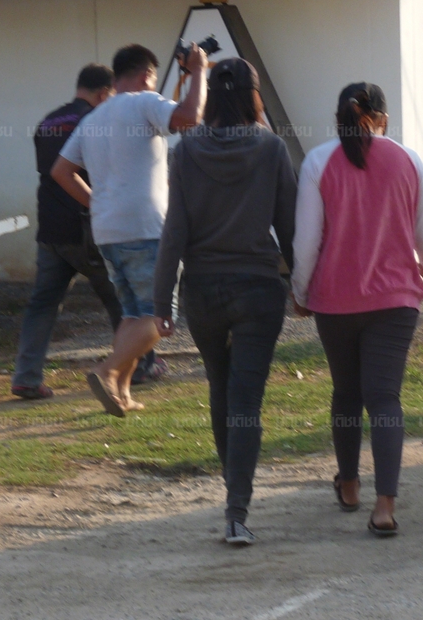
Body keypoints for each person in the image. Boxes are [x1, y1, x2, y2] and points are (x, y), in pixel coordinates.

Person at [153, 58, 296, 546]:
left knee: (220, 385)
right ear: (255, 96)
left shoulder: (186, 151)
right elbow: (289, 225)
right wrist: (303, 285)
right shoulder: (271, 147)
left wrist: (162, 301)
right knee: (246, 400)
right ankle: (237, 510)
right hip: (258, 288)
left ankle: (232, 489)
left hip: (202, 290)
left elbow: (175, 230)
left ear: (211, 95)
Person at [292, 83, 423, 537]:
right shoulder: (410, 160)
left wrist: (300, 292)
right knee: (385, 398)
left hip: (335, 300)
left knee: (346, 393)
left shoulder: (317, 162)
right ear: (383, 119)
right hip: (395, 300)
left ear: (339, 117)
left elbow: (306, 242)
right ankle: (385, 507)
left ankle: (350, 484)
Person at [52, 43, 207, 417]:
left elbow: (61, 171)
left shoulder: (93, 118)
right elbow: (191, 118)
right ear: (146, 74)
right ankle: (106, 371)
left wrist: (97, 203)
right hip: (146, 227)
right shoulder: (145, 102)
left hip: (107, 231)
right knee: (158, 317)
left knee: (133, 316)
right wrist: (199, 70)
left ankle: (120, 390)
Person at [11, 64, 119, 400]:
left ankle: (26, 378)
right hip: (88, 228)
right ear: (104, 94)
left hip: (51, 230)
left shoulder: (48, 121)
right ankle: (142, 364)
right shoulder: (97, 121)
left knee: (42, 304)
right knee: (121, 298)